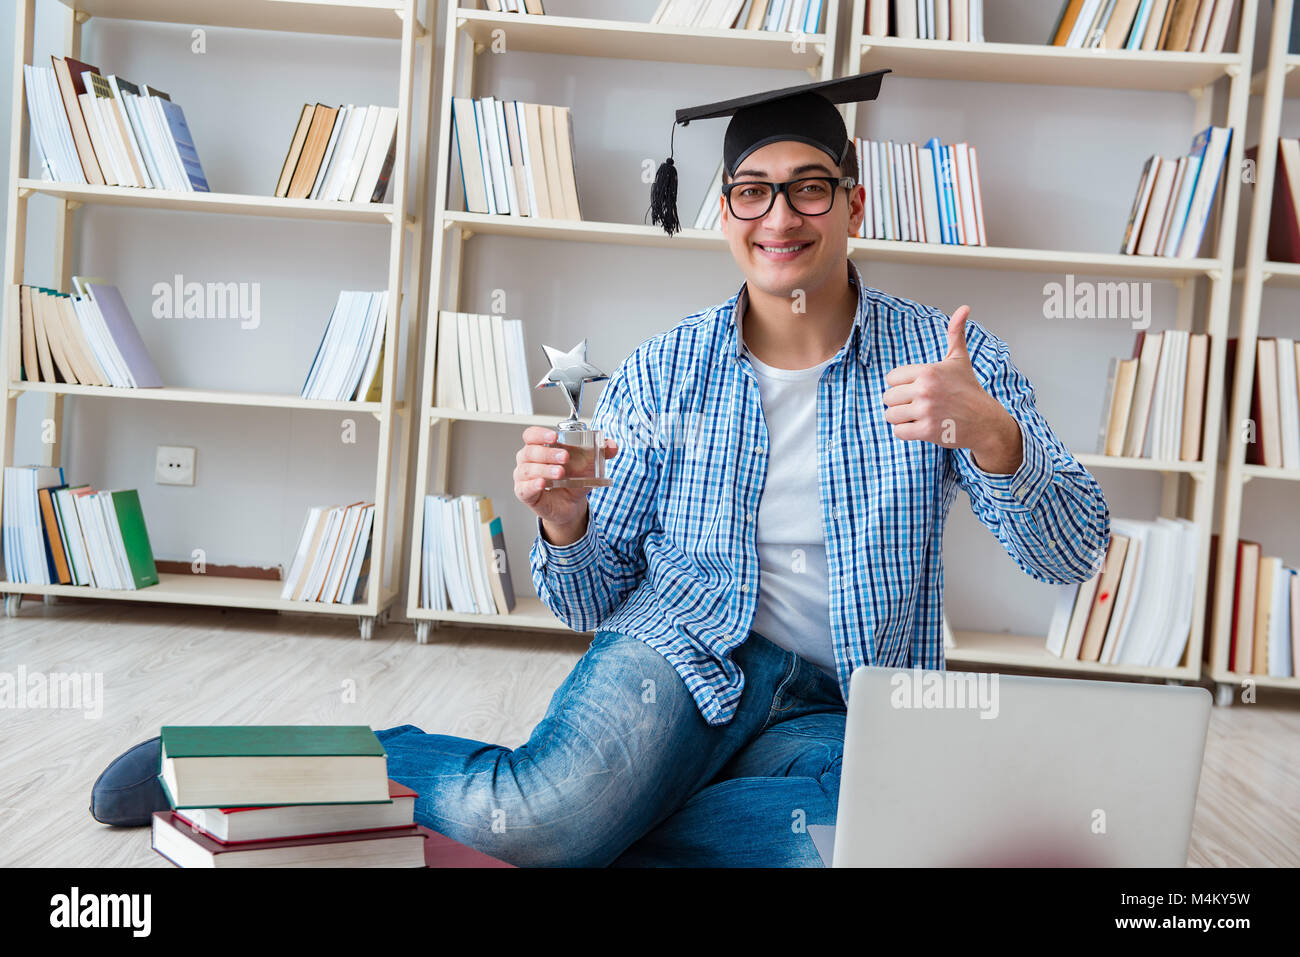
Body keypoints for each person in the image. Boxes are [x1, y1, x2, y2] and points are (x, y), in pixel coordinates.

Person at [91, 72, 1110, 867]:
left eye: (808, 189)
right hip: (685, 654)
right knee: (531, 821)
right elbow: (588, 603)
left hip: (852, 699)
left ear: (850, 204)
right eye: (753, 190)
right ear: (724, 211)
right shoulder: (665, 368)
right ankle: (259, 762)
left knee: (887, 850)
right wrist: (567, 524)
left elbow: (1073, 554)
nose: (780, 218)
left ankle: (609, 828)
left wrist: (993, 440)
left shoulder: (944, 359)